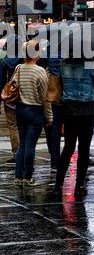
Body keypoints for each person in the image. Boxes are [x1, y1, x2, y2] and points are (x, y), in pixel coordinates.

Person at [56, 56, 94, 196]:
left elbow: (61, 84)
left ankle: (58, 184)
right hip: (87, 108)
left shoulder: (64, 64)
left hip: (69, 108)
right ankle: (80, 185)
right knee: (84, 148)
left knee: (68, 147)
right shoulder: (90, 65)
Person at [12, 42, 52, 186]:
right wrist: (49, 117)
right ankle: (28, 177)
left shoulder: (19, 68)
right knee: (30, 146)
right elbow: (45, 98)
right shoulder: (40, 71)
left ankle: (18, 176)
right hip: (35, 111)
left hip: (21, 110)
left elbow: (13, 86)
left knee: (22, 145)